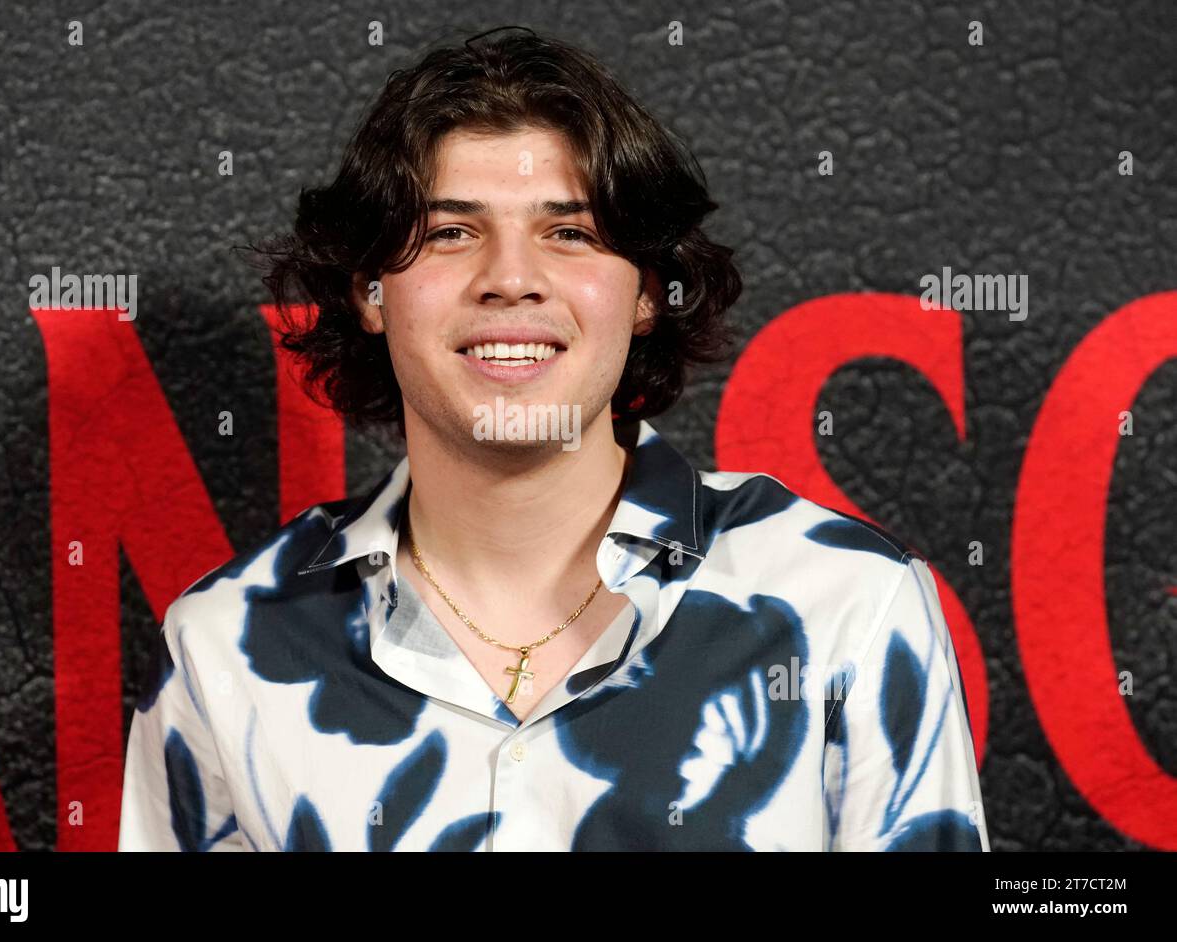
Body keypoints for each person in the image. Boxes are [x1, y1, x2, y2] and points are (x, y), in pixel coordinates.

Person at [117, 26, 989, 852]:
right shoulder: (225, 644)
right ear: (370, 294)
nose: (510, 280)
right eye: (452, 233)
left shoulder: (848, 604)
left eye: (568, 233)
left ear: (649, 292)